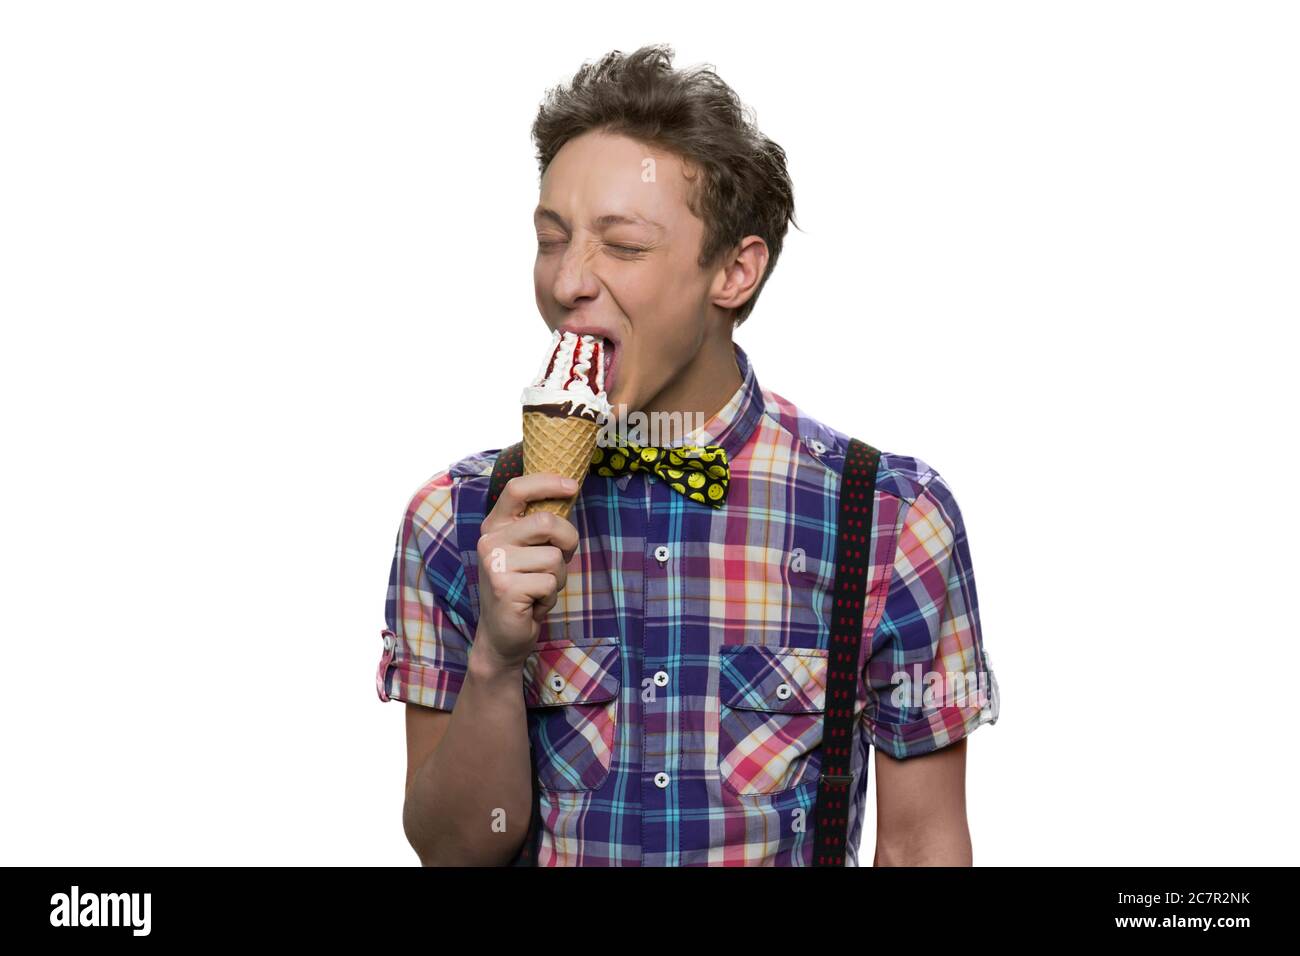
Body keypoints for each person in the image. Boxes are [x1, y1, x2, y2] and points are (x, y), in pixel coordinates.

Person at [375, 43, 999, 866]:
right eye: (552, 239)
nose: (568, 282)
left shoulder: (888, 518)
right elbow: (458, 851)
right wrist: (496, 662)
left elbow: (922, 845)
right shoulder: (454, 520)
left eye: (622, 246)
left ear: (735, 271)